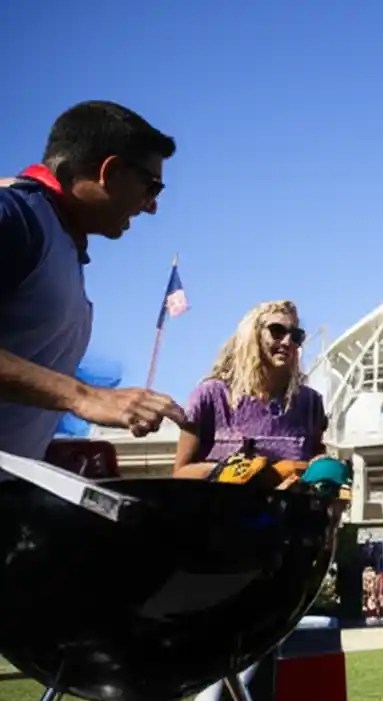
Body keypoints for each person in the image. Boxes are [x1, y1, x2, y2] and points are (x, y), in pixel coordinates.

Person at [0, 100, 184, 461]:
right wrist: (84, 396)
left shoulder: (59, 241)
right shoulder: (17, 217)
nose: (152, 206)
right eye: (152, 187)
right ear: (109, 171)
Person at [173, 300, 327, 479]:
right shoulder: (211, 395)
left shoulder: (310, 403)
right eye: (277, 331)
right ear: (253, 336)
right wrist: (226, 472)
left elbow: (316, 462)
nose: (286, 342)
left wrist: (325, 471)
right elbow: (181, 472)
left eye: (295, 335)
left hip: (287, 506)